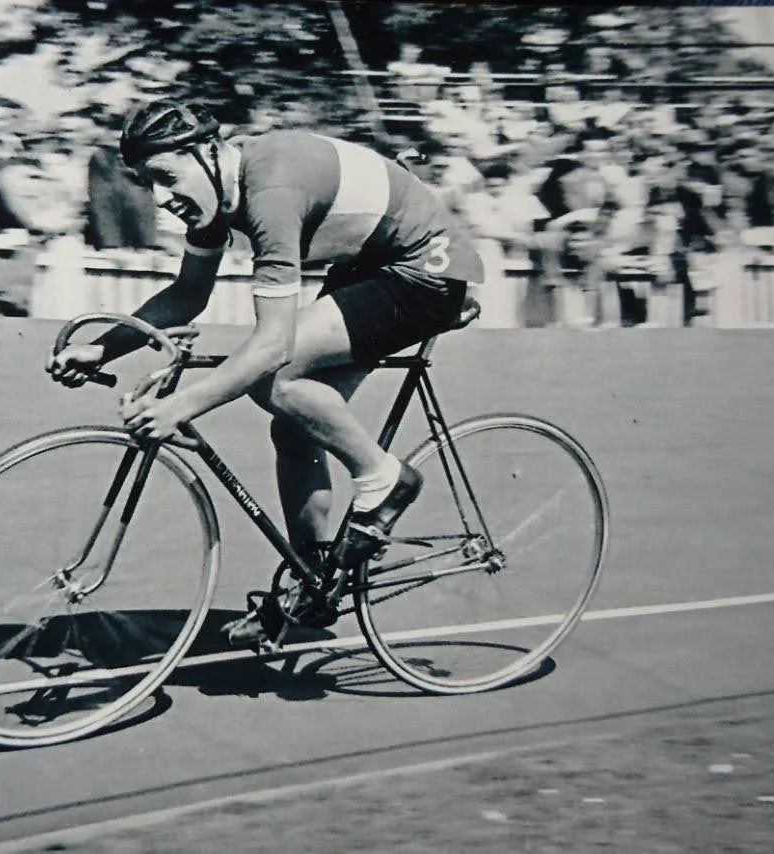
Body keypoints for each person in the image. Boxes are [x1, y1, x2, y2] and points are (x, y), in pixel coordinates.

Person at [45, 99, 483, 645]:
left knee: (275, 379)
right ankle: (313, 583)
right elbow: (187, 295)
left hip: (425, 270)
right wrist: (102, 350)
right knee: (294, 421)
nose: (159, 199)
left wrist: (182, 405)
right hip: (370, 263)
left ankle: (384, 477)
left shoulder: (270, 192)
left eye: (165, 177)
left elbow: (273, 345)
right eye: (145, 183)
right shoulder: (214, 195)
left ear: (206, 153)